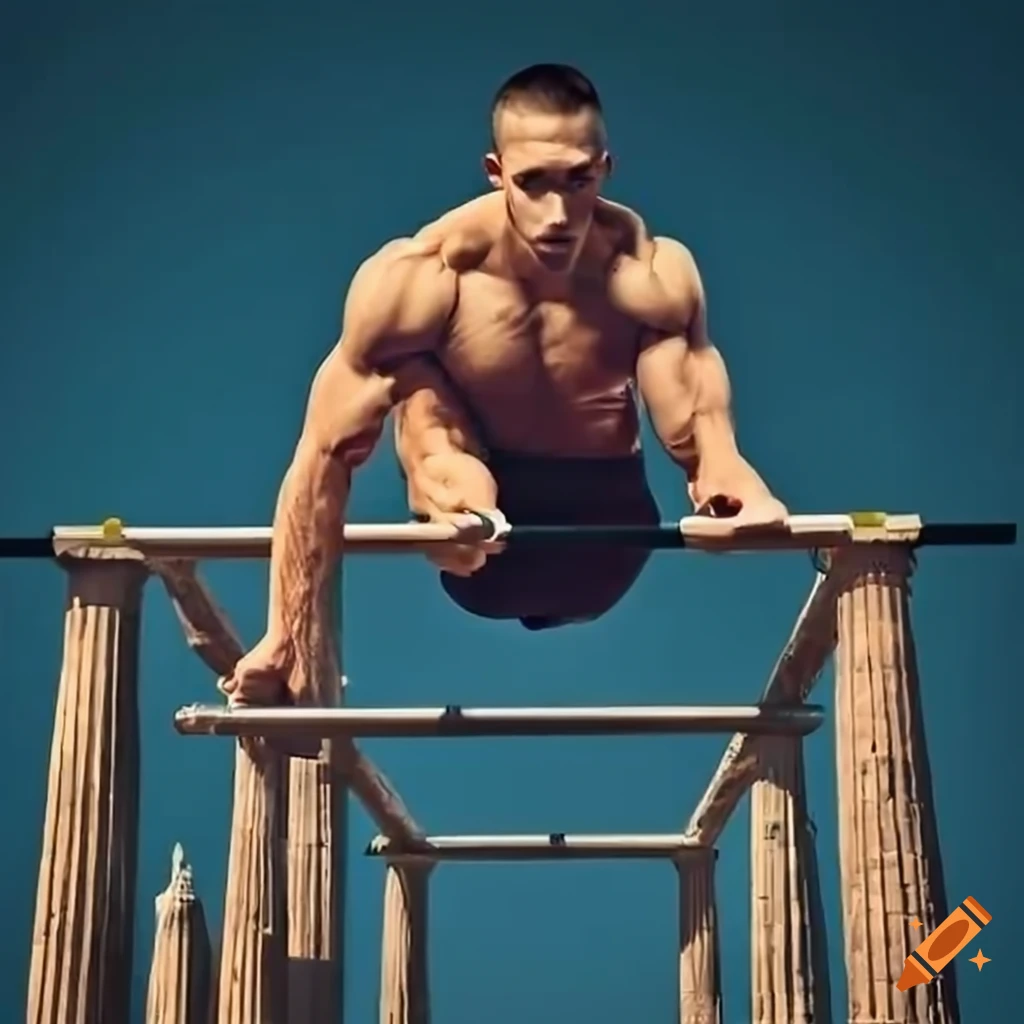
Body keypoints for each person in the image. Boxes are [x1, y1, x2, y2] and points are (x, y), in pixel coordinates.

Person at [219, 63, 788, 708]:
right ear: (496, 172)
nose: (557, 214)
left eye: (578, 181)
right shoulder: (425, 275)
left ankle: (468, 507)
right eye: (533, 183)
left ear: (605, 168)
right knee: (414, 383)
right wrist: (286, 636)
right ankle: (464, 504)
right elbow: (323, 453)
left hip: (607, 538)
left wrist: (740, 490)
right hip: (485, 552)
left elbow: (701, 426)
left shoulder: (649, 272)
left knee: (661, 358)